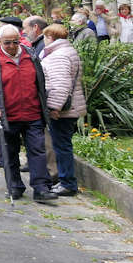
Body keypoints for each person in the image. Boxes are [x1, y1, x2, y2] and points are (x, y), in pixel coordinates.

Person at [0, 24, 57, 202]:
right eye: (7, 42)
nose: (11, 46)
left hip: (33, 113)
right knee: (10, 153)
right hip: (6, 115)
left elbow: (41, 82)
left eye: (15, 42)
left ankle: (41, 188)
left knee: (38, 151)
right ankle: (15, 186)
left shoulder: (31, 56)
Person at [41, 23, 84, 196]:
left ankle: (67, 183)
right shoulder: (67, 52)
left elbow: (60, 85)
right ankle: (66, 181)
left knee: (61, 146)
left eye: (45, 37)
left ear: (50, 37)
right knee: (62, 145)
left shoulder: (58, 56)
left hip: (63, 111)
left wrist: (54, 107)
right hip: (70, 107)